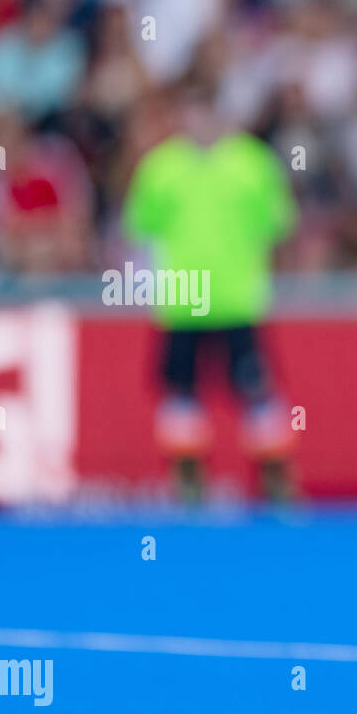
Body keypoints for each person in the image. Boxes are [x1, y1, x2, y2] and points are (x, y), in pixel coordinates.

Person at [123, 78, 297, 502]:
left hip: (237, 301)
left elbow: (278, 227)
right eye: (190, 111)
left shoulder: (253, 164)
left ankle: (274, 479)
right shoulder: (160, 168)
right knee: (181, 392)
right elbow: (141, 233)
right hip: (182, 302)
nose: (198, 120)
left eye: (206, 110)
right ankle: (188, 481)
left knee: (257, 391)